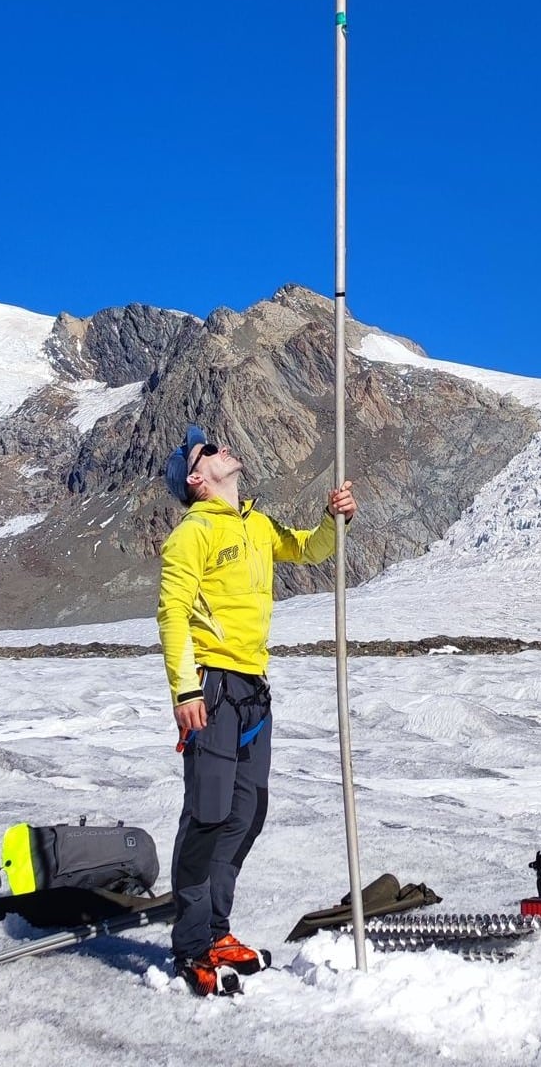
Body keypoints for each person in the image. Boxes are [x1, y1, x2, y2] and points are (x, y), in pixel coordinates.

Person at [157, 423, 357, 996]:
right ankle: (191, 945)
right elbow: (172, 613)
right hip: (213, 689)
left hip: (253, 692)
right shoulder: (192, 534)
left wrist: (335, 518)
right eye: (209, 449)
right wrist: (185, 691)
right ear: (197, 478)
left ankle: (217, 930)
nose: (222, 448)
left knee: (246, 815)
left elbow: (311, 547)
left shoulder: (257, 525)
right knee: (208, 815)